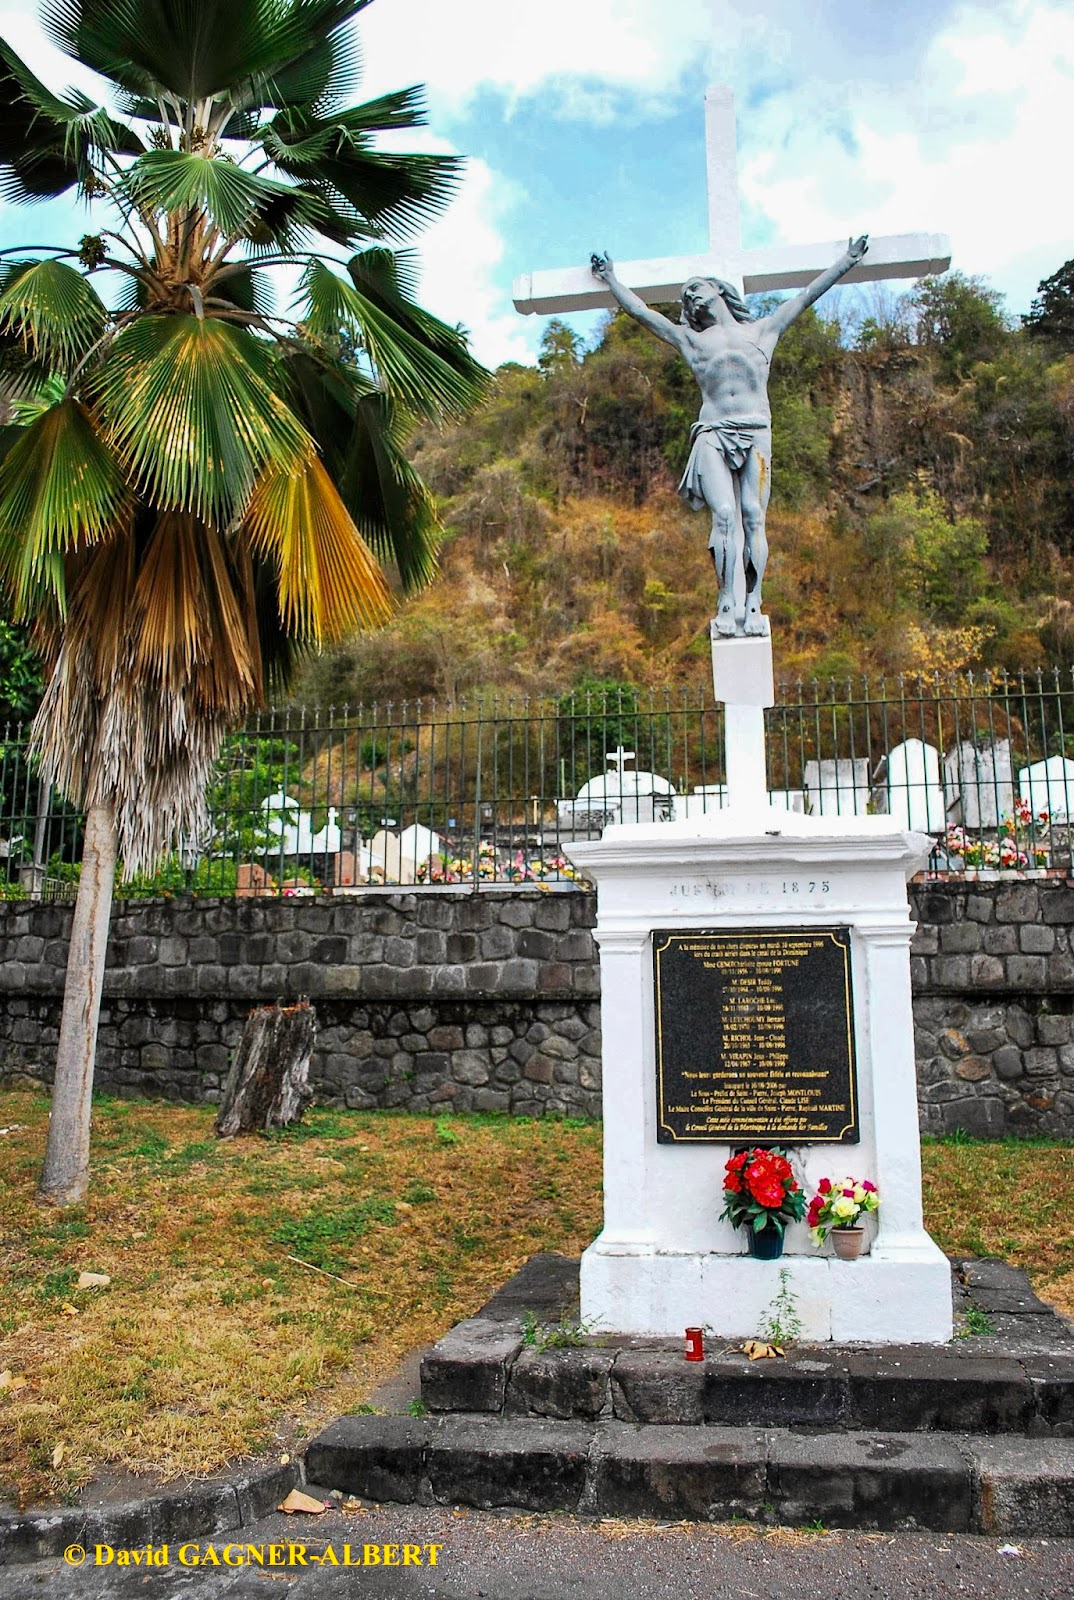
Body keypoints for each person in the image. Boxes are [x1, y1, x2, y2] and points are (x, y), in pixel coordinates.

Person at [591, 237, 868, 636]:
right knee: (723, 516)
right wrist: (611, 280)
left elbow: (806, 296)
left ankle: (753, 600)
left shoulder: (765, 329)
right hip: (712, 432)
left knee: (754, 515)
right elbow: (641, 312)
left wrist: (848, 261)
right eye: (685, 295)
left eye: (695, 288)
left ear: (718, 289)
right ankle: (726, 599)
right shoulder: (691, 340)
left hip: (756, 429)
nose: (688, 296)